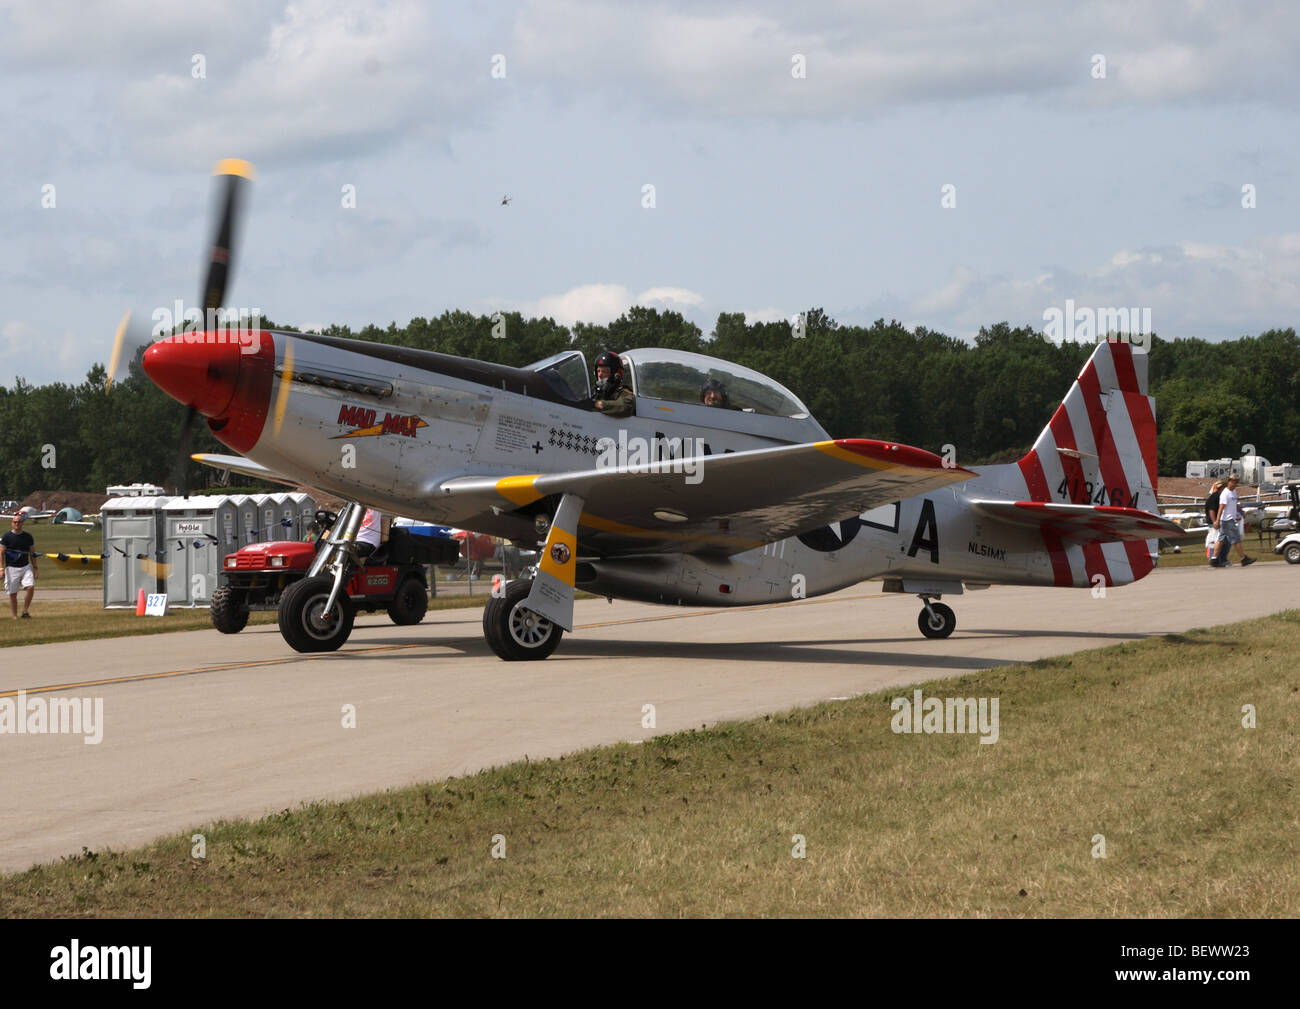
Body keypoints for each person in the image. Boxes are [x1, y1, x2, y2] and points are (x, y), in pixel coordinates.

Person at [1211, 474, 1256, 567]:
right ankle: (1243, 559)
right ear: (1229, 482)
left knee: (1220, 540)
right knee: (1236, 540)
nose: (1235, 484)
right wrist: (1217, 521)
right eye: (1233, 481)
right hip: (1227, 520)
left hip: (1229, 520)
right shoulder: (1225, 493)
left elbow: (1235, 503)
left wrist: (1241, 511)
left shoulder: (1234, 491)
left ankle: (1214, 559)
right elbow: (1221, 508)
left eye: (1236, 482)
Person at [2, 514, 37, 618]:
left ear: (22, 523)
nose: (17, 524)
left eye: (19, 522)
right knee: (13, 594)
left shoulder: (28, 537)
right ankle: (14, 616)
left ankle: (25, 611)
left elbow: (32, 554)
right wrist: (1, 569)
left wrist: (35, 568)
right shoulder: (6, 537)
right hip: (11, 568)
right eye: (15, 522)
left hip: (25, 567)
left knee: (30, 587)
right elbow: (1, 553)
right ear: (12, 523)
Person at [592, 351, 635, 417]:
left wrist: (597, 404)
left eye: (604, 371)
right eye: (598, 371)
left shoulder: (623, 392)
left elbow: (626, 406)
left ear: (616, 374)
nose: (600, 375)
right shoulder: (595, 393)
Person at [1203, 480, 1224, 565]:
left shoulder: (1214, 497)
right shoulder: (1215, 497)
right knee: (1213, 542)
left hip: (1213, 522)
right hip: (1213, 523)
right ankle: (1213, 560)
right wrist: (1215, 522)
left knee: (1216, 541)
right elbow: (1211, 510)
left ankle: (1217, 560)